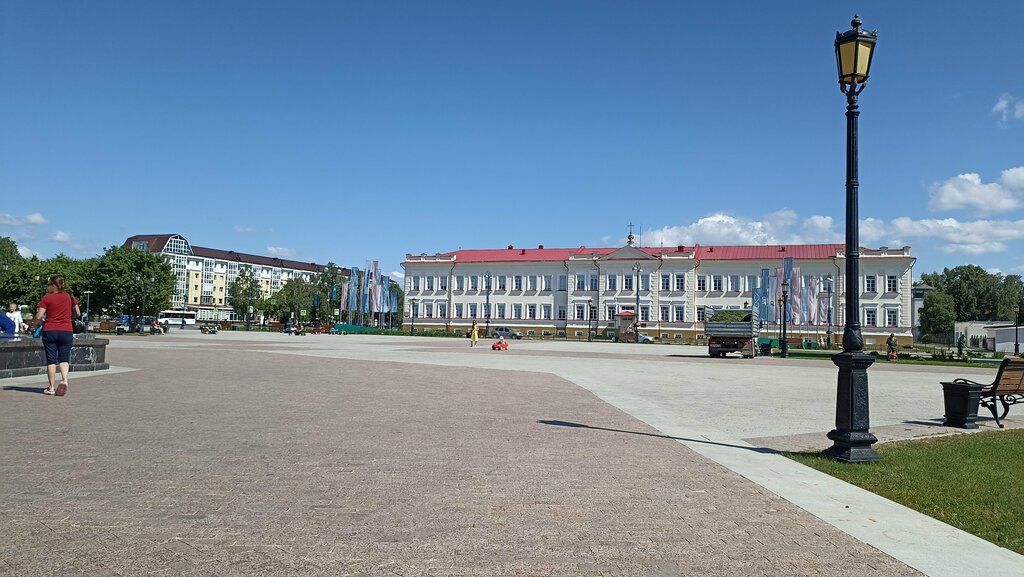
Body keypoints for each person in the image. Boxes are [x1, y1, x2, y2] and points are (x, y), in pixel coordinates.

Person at [26, 276, 80, 396]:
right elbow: (78, 313)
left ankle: (51, 388)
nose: (47, 287)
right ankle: (64, 381)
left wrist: (33, 324)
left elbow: (39, 316)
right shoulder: (70, 297)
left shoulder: (46, 298)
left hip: (50, 330)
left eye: (48, 284)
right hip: (66, 330)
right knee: (64, 358)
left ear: (54, 285)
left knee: (51, 359)